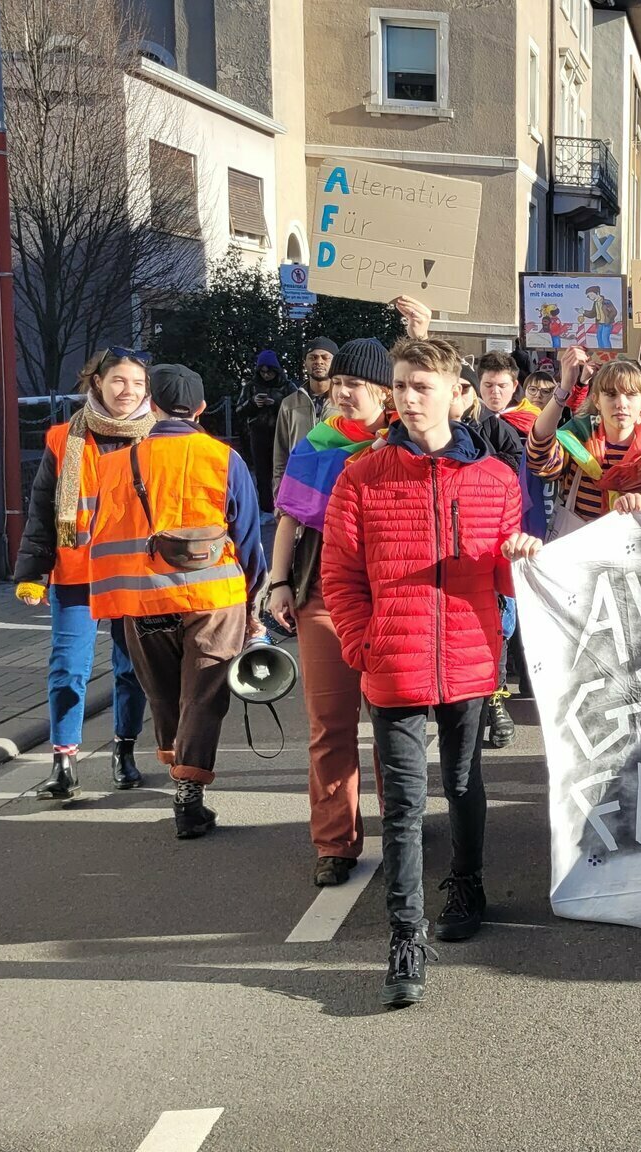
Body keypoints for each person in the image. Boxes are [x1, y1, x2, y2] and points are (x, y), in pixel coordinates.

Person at [320, 337, 537, 1008]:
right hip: (395, 664)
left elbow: (503, 578)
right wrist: (364, 645)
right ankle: (405, 934)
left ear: (456, 394)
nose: (411, 398)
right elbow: (341, 576)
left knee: (466, 784)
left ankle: (466, 884)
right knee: (406, 806)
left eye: (424, 386)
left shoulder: (497, 478)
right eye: (403, 385)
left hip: (470, 660)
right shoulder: (363, 474)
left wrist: (522, 557)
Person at [84, 364, 265, 839]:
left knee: (162, 694)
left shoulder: (115, 464)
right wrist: (255, 603)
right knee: (203, 695)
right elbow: (247, 536)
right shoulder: (223, 458)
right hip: (212, 596)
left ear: (153, 405)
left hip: (143, 601)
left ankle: (175, 768)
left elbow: (98, 536)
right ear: (202, 409)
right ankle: (190, 793)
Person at [265, 345, 395, 886]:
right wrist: (277, 583)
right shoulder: (316, 442)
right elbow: (290, 520)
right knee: (329, 727)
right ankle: (335, 841)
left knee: (392, 723)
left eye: (356, 384)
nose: (343, 391)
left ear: (384, 392)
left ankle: (403, 820)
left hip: (389, 599)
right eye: (339, 381)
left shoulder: (404, 444)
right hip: (320, 596)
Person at [13, 349, 154, 798]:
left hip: (134, 575)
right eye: (118, 381)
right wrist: (32, 573)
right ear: (97, 383)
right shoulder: (62, 439)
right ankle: (63, 763)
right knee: (67, 669)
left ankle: (124, 751)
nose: (127, 391)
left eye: (136, 382)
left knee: (130, 669)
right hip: (75, 573)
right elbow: (40, 511)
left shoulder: (157, 439)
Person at [528, 359, 641, 533]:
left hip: (632, 554)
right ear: (597, 401)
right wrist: (563, 389)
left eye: (631, 394)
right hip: (580, 550)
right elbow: (538, 457)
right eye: (611, 394)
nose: (621, 403)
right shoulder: (577, 440)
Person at [273, 337, 340, 494]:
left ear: (335, 362)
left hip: (335, 489)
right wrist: (278, 498)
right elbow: (280, 456)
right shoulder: (289, 404)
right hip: (298, 488)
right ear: (305, 363)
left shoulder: (345, 403)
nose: (319, 361)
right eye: (313, 357)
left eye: (325, 357)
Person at [242, 350, 292, 511]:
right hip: (258, 434)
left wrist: (277, 403)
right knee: (262, 472)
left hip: (282, 433)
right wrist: (252, 403)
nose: (266, 375)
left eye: (269, 371)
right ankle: (266, 507)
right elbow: (239, 410)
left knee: (282, 469)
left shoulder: (287, 386)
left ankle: (283, 504)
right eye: (262, 372)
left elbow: (296, 409)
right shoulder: (251, 387)